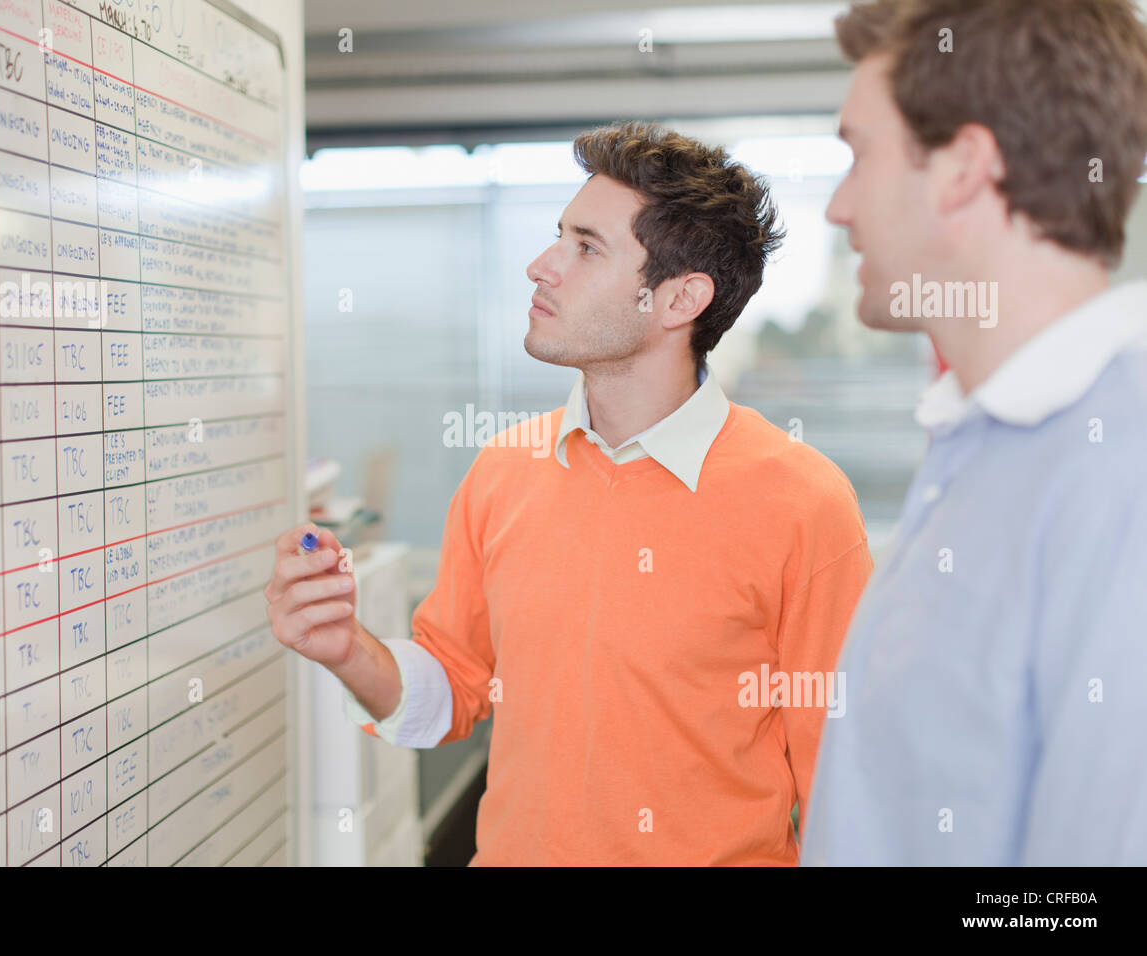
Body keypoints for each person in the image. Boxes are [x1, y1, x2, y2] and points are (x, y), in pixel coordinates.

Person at [267, 122, 872, 864]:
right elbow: (454, 690)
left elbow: (847, 788)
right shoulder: (503, 469)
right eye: (560, 236)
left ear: (679, 299)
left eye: (586, 247)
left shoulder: (802, 502)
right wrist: (345, 649)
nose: (540, 265)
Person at [803, 0, 1147, 865]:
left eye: (859, 155)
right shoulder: (985, 440)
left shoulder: (1123, 467)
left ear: (962, 168)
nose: (838, 209)